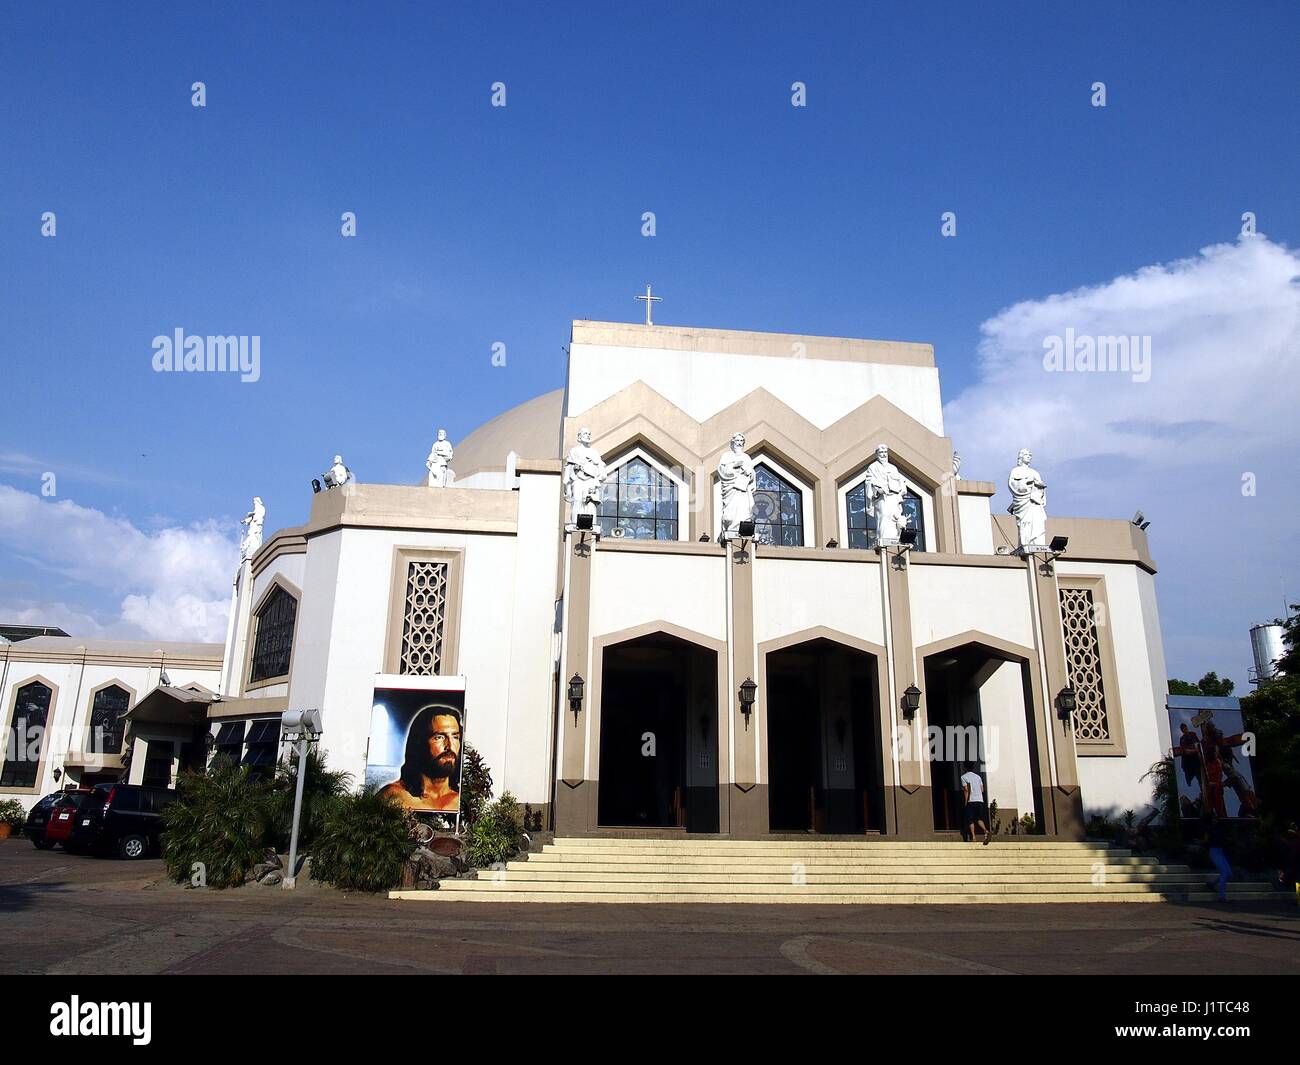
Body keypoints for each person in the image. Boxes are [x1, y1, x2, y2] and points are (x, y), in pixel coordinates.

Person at [378, 706, 462, 812]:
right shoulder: (394, 796)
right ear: (419, 743)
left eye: (455, 737)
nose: (450, 746)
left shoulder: (461, 801)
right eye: (439, 737)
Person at [1202, 812, 1233, 903]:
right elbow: (1206, 840)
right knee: (1224, 873)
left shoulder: (1219, 827)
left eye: (1216, 818)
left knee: (1229, 873)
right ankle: (1222, 897)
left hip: (1220, 850)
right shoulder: (1209, 829)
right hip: (1214, 850)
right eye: (1214, 818)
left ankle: (1212, 884)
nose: (1215, 819)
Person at [960, 763, 991, 845]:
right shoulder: (978, 777)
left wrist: (966, 802)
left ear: (965, 768)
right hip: (980, 801)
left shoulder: (964, 777)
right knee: (979, 819)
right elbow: (982, 789)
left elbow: (966, 790)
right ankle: (986, 831)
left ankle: (973, 837)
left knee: (970, 820)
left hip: (971, 800)